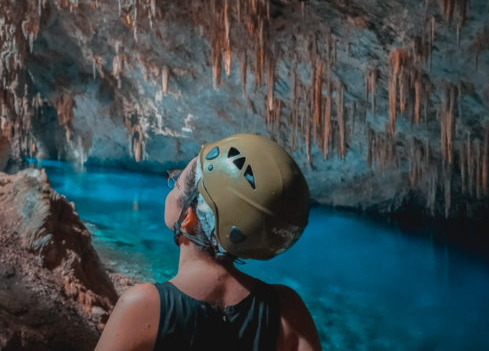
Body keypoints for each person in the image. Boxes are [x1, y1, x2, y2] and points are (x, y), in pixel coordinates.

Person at [95, 133, 321, 351]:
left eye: (176, 183)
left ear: (188, 217)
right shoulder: (287, 311)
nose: (171, 184)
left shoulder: (142, 306)